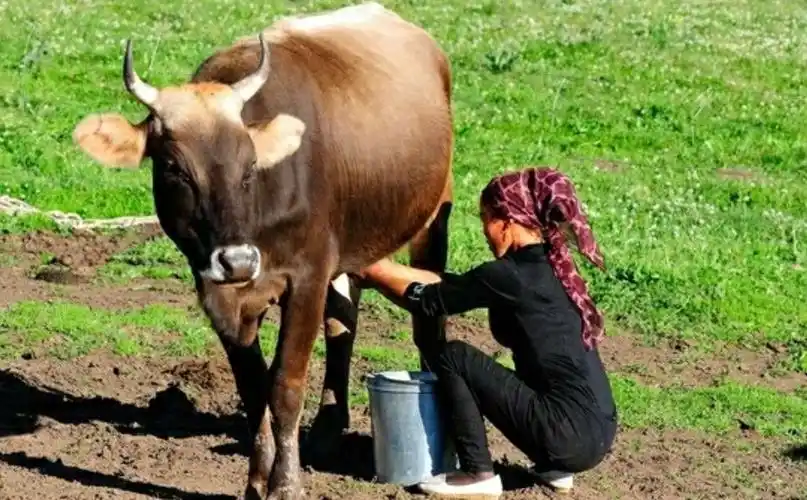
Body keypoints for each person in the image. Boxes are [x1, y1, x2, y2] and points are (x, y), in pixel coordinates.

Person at [358, 166, 618, 498]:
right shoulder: (553, 270)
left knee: (454, 356)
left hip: (565, 436)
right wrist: (387, 271)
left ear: (508, 222)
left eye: (486, 218)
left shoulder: (509, 276)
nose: (483, 230)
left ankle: (477, 472)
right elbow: (453, 288)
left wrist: (372, 269)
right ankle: (556, 468)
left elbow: (430, 301)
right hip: (597, 433)